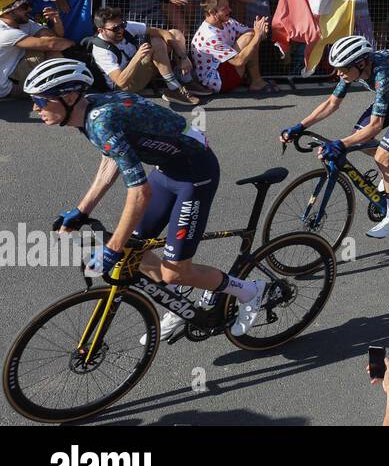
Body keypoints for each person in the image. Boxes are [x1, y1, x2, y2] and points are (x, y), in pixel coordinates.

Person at [31, 58, 269, 342]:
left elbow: (139, 192)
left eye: (41, 101)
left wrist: (112, 248)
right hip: (168, 170)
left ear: (69, 97)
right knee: (135, 250)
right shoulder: (89, 111)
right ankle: (182, 305)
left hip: (195, 177)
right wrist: (82, 210)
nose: (35, 108)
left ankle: (251, 291)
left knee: (172, 272)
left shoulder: (100, 119)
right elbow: (112, 157)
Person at [281, 36, 389, 238]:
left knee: (382, 157)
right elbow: (331, 104)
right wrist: (300, 126)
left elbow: (374, 126)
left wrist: (340, 144)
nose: (339, 73)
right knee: (360, 139)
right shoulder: (355, 69)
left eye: (342, 69)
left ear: (361, 63)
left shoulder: (382, 74)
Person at [87, 6, 205, 105]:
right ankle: (174, 89)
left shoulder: (126, 27)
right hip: (126, 86)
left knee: (175, 33)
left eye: (121, 25)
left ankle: (186, 80)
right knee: (157, 43)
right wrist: (138, 57)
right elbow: (120, 82)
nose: (120, 30)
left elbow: (163, 32)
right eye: (115, 29)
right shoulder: (101, 51)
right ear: (101, 30)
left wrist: (183, 57)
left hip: (141, 70)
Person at [190, 0, 272, 95]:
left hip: (224, 67)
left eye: (228, 6)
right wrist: (258, 36)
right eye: (225, 8)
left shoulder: (229, 22)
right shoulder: (208, 36)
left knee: (251, 36)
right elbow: (238, 61)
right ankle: (256, 81)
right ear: (212, 12)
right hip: (217, 80)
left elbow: (252, 33)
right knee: (252, 38)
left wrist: (260, 32)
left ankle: (255, 80)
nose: (230, 10)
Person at [0, 0, 72, 99]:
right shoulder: (5, 32)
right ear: (8, 13)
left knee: (46, 49)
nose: (29, 9)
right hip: (4, 88)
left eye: (28, 4)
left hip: (10, 76)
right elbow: (53, 44)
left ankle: (59, 88)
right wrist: (73, 43)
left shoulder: (24, 23)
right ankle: (60, 92)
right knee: (46, 50)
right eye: (23, 7)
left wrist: (56, 21)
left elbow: (52, 38)